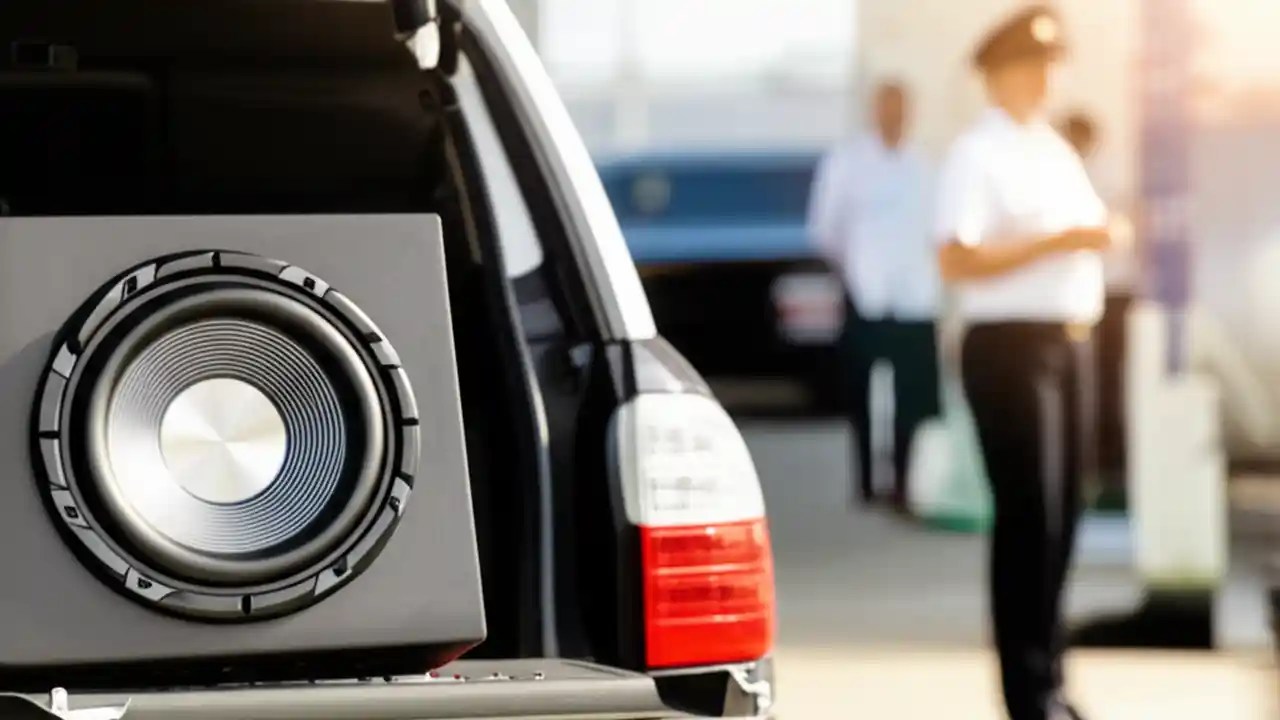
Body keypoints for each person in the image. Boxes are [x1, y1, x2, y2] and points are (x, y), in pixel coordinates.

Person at [935, 7, 1110, 720]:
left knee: (1066, 512)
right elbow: (956, 255)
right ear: (1000, 74)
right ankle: (1027, 692)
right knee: (1028, 516)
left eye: (1051, 65)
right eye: (1033, 65)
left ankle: (1056, 680)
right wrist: (1055, 242)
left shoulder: (1050, 147)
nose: (1047, 78)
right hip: (1011, 346)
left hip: (1070, 341)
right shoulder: (977, 153)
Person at [807, 81, 940, 513]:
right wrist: (856, 271)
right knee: (861, 391)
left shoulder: (923, 165)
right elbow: (825, 230)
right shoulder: (847, 164)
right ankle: (865, 480)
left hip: (916, 294)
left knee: (912, 394)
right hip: (866, 290)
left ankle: (903, 480)